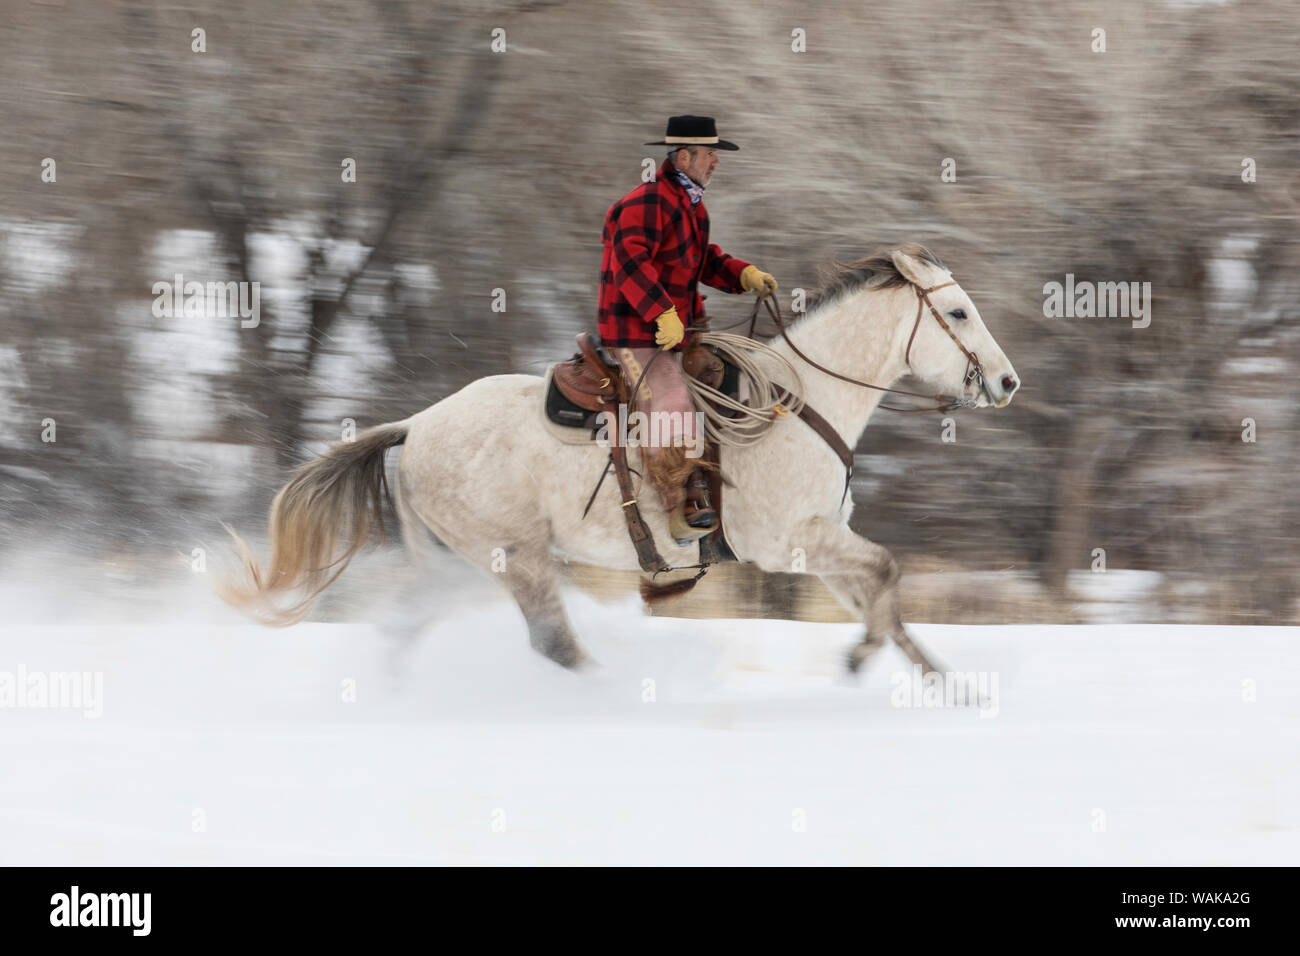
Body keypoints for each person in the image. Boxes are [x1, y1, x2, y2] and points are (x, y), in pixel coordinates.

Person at [597, 115, 777, 543]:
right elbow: (630, 262)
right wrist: (661, 312)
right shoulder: (648, 202)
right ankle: (679, 506)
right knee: (673, 396)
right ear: (683, 156)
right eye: (710, 154)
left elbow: (703, 260)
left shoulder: (688, 203)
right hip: (633, 333)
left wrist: (742, 273)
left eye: (717, 155)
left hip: (678, 330)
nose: (716, 162)